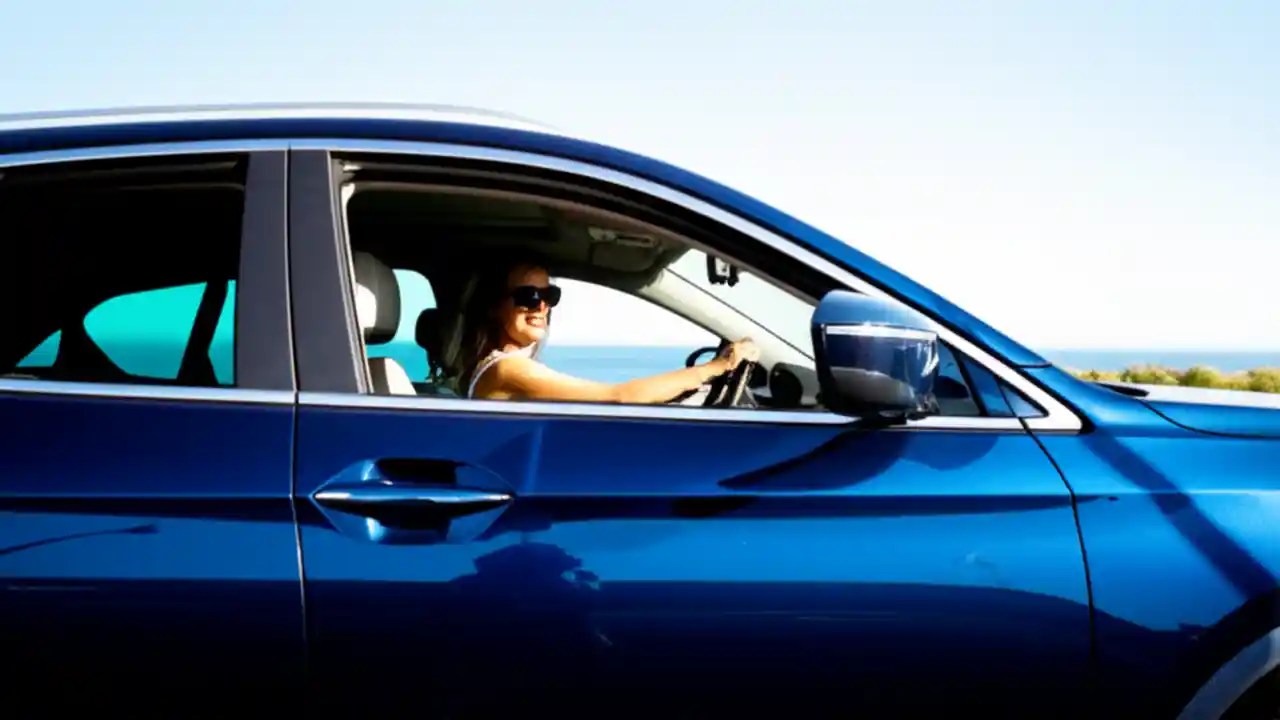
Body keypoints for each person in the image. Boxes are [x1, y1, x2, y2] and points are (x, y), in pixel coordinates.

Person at [460, 257, 758, 403]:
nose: (541, 307)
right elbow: (618, 396)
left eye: (549, 296)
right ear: (495, 307)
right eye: (529, 296)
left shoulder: (499, 369)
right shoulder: (508, 370)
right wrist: (715, 368)